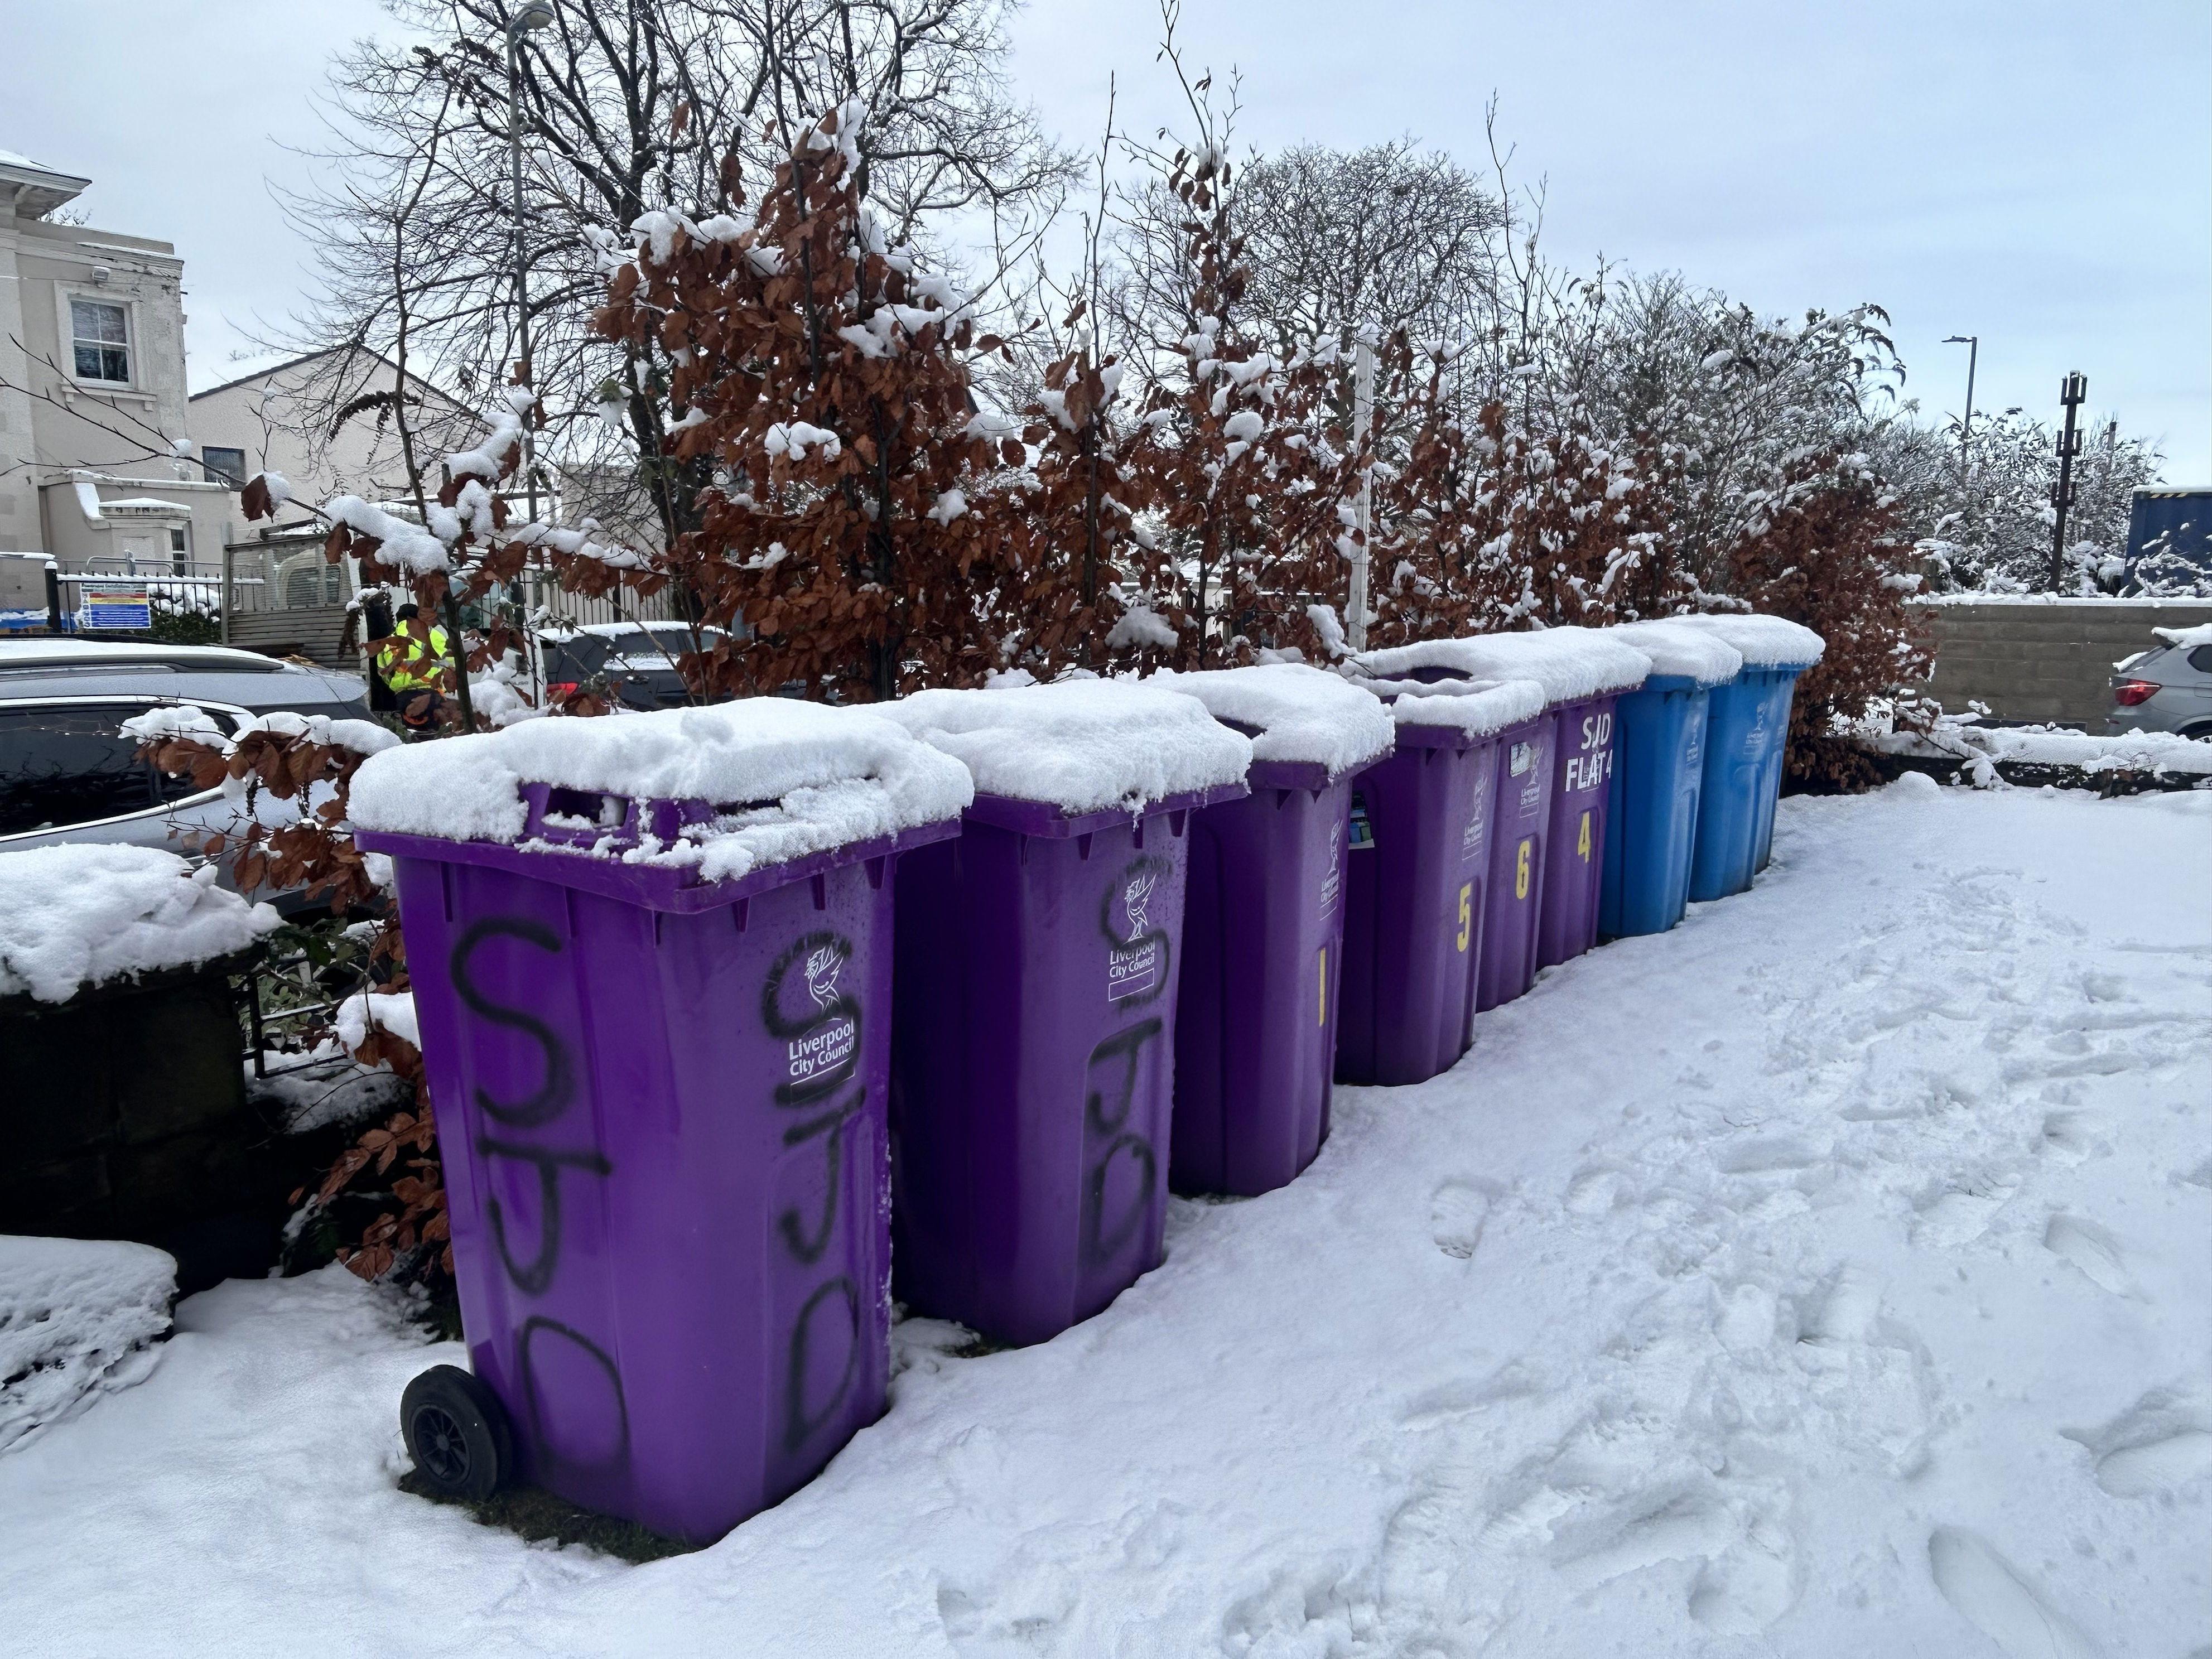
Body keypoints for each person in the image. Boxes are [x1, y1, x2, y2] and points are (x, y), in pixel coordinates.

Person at [385, 602, 450, 736]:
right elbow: (450, 665)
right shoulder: (437, 636)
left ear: (398, 620)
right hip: (434, 693)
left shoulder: (391, 641)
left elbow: (384, 672)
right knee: (438, 736)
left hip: (404, 696)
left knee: (412, 736)